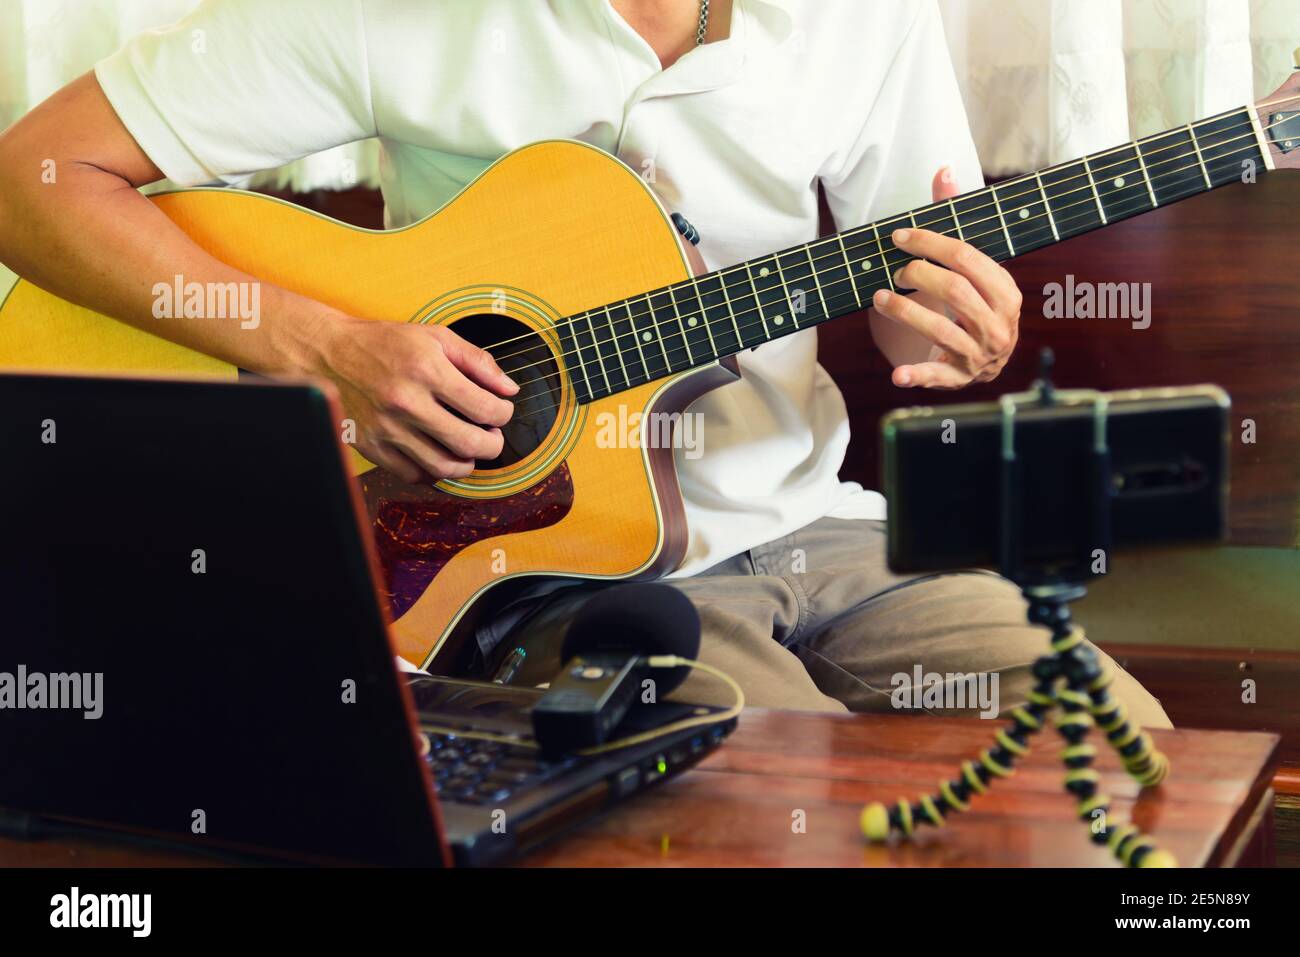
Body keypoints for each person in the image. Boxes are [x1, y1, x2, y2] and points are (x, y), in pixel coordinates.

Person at [0, 0, 1170, 726]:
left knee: (1115, 752)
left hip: (819, 525)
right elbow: (32, 178)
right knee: (762, 799)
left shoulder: (864, 14)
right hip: (559, 567)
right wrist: (326, 347)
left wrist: (948, 330)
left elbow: (913, 296)